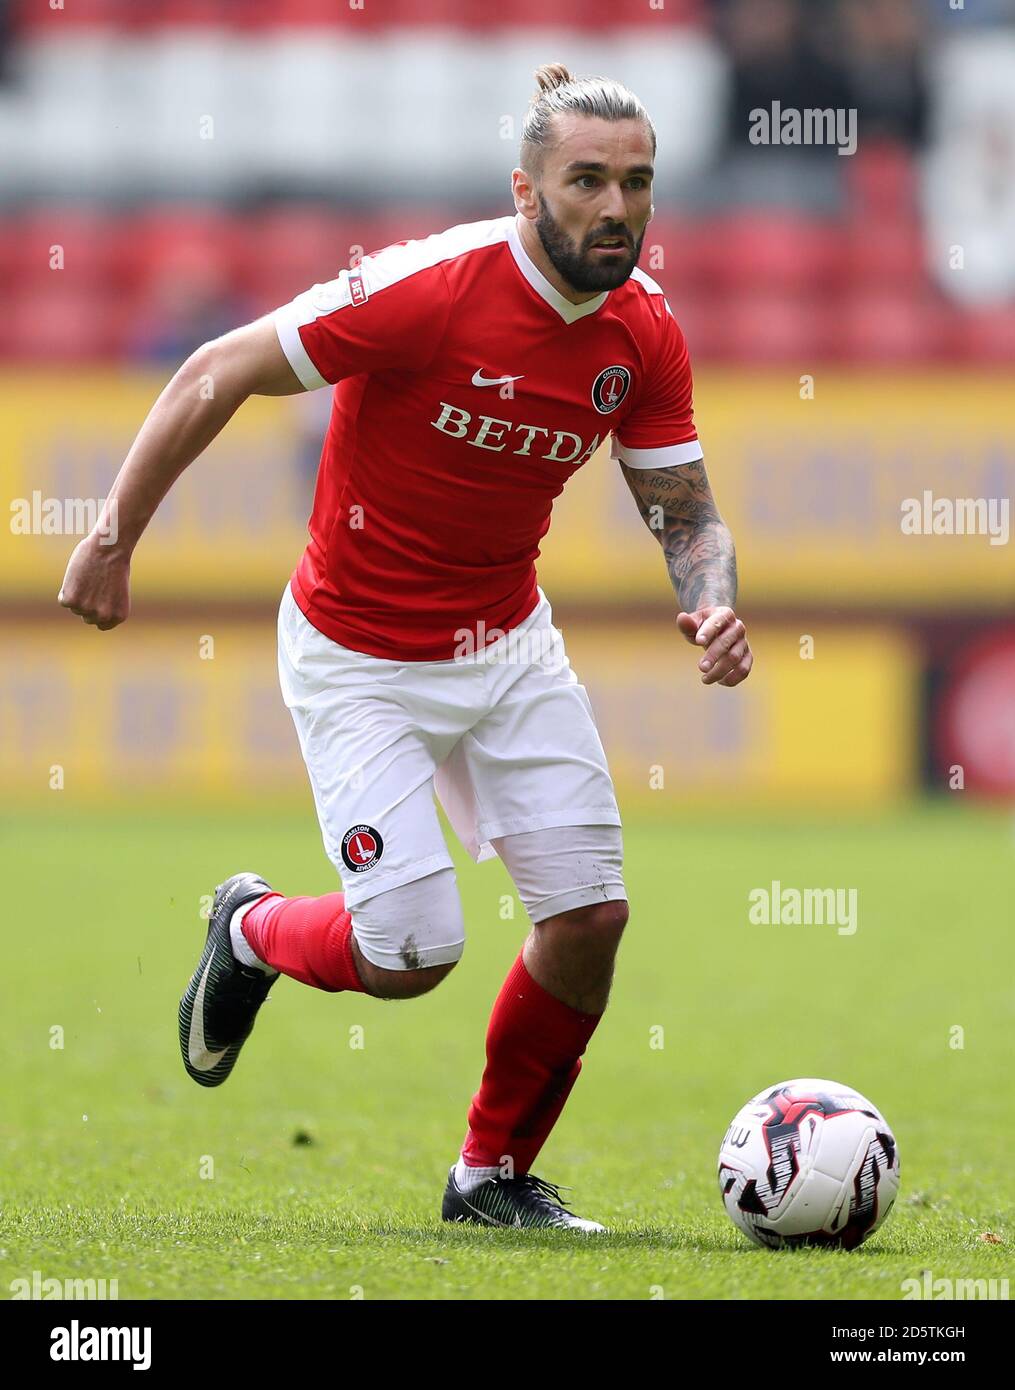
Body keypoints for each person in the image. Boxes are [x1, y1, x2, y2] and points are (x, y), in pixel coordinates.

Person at [58, 63, 753, 1232]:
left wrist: (712, 597)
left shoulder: (643, 331)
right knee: (411, 951)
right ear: (526, 193)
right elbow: (214, 368)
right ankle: (251, 927)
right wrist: (112, 537)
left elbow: (684, 510)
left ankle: (489, 1177)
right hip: (358, 653)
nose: (615, 207)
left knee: (588, 917)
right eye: (586, 180)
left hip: (508, 646)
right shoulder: (429, 287)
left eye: (636, 182)